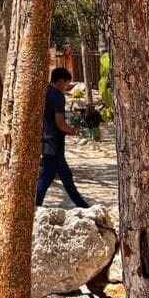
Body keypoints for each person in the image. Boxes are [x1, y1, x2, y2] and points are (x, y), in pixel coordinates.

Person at [36, 67, 90, 208]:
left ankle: (83, 206)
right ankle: (34, 207)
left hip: (47, 140)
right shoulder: (58, 95)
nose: (66, 87)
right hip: (55, 143)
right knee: (45, 178)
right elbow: (60, 123)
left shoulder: (45, 92)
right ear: (60, 81)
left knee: (66, 177)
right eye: (66, 83)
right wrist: (75, 131)